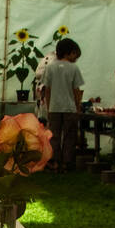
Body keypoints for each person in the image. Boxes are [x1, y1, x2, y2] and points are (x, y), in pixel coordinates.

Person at [43, 39, 83, 171]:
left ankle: (54, 162)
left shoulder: (50, 68)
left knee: (54, 136)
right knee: (69, 136)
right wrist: (78, 106)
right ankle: (66, 163)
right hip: (69, 108)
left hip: (54, 107)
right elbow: (76, 90)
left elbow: (47, 89)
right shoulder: (74, 68)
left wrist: (48, 107)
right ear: (69, 53)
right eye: (75, 55)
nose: (75, 59)